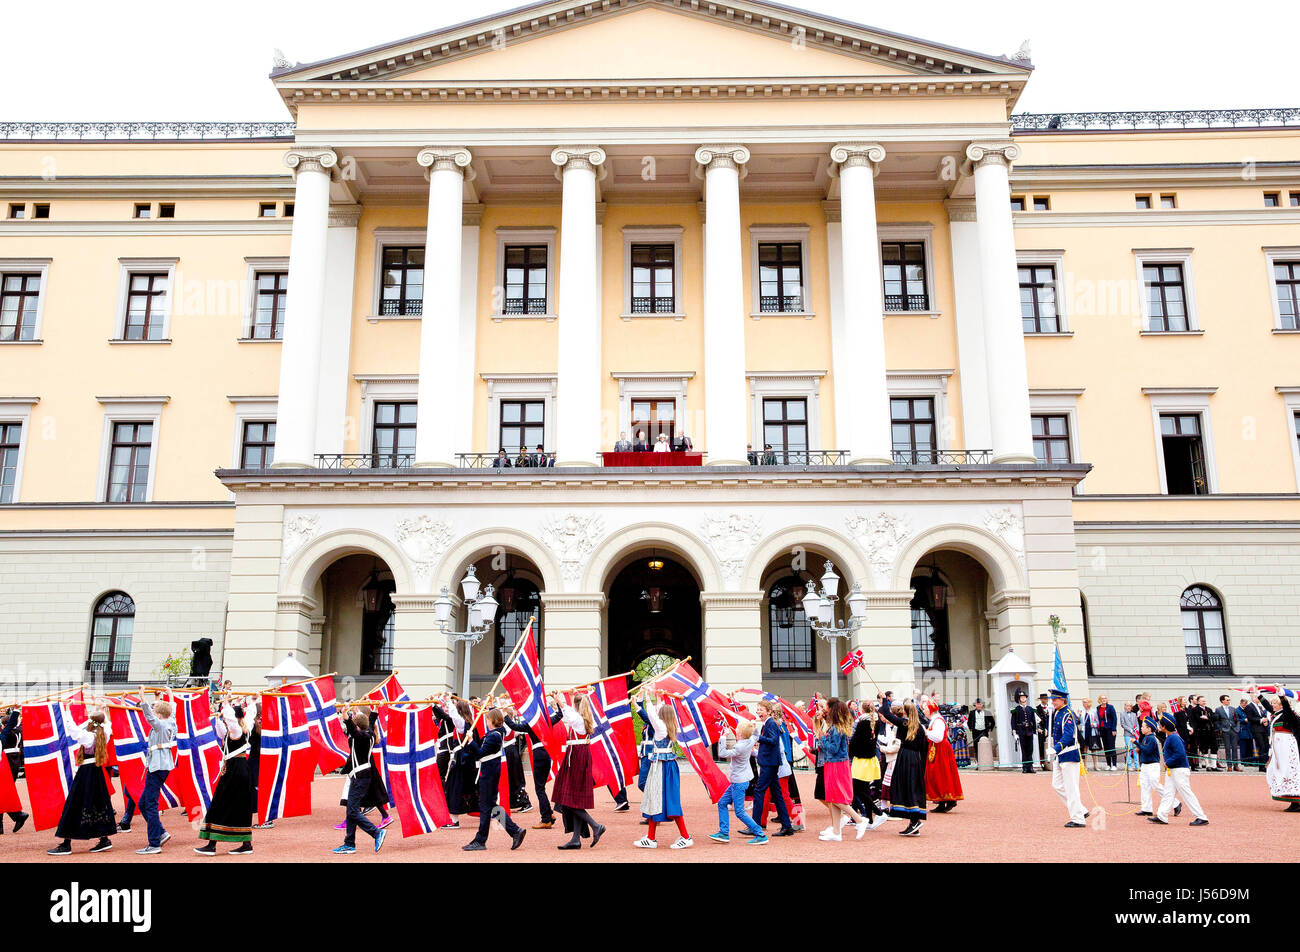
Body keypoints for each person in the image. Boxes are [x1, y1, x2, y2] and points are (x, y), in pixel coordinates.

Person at [47, 709, 115, 855]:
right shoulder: (104, 732)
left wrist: (65, 711)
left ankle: (66, 843)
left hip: (86, 773)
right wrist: (102, 709)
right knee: (97, 803)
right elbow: (106, 723)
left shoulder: (89, 736)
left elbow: (74, 730)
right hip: (96, 772)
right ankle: (104, 839)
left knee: (74, 804)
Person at [461, 708, 528, 851]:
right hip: (490, 771)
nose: (486, 721)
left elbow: (480, 753)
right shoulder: (497, 733)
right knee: (491, 806)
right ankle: (514, 830)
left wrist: (471, 740)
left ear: (492, 721)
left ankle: (481, 840)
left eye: (487, 719)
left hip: (489, 773)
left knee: (486, 806)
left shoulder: (494, 736)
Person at [194, 701, 255, 855]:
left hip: (236, 771)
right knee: (238, 805)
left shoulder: (237, 731)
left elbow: (232, 721)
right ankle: (246, 844)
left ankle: (212, 844)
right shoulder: (239, 729)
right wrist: (216, 716)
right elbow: (223, 730)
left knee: (220, 803)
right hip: (236, 769)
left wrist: (226, 704)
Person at [635, 691, 691, 849]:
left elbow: (652, 714)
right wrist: (658, 696)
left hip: (661, 767)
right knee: (659, 800)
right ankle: (651, 837)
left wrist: (647, 694)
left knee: (662, 800)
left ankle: (685, 836)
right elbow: (657, 712)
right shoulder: (671, 725)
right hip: (666, 766)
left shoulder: (660, 728)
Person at [550, 692, 605, 850]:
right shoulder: (582, 718)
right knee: (574, 798)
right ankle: (576, 839)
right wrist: (557, 702)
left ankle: (595, 826)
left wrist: (558, 700)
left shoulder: (579, 719)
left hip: (577, 756)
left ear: (577, 705)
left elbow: (569, 715)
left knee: (570, 798)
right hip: (577, 755)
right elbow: (568, 715)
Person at [332, 710, 388, 854]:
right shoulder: (369, 733)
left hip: (360, 777)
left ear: (357, 727)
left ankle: (376, 833)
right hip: (361, 776)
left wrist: (346, 717)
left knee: (352, 811)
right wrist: (374, 711)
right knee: (351, 810)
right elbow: (369, 724)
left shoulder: (361, 736)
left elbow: (353, 730)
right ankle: (349, 843)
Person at [819, 698, 871, 840]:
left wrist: (822, 739)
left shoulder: (836, 728)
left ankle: (859, 819)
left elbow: (833, 749)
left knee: (836, 798)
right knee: (832, 797)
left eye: (828, 708)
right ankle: (836, 832)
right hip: (835, 763)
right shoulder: (836, 726)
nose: (826, 710)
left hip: (836, 764)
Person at [710, 720, 767, 845]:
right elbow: (756, 736)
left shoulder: (740, 745)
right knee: (722, 803)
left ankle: (759, 833)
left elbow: (722, 753)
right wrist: (755, 727)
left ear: (740, 734)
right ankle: (724, 833)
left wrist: (723, 738)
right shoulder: (749, 741)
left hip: (738, 782)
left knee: (740, 812)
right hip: (739, 781)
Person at [133, 692, 175, 854]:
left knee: (150, 804)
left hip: (157, 765)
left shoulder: (161, 724)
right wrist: (169, 695)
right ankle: (161, 832)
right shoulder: (171, 721)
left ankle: (154, 843)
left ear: (159, 714)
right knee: (143, 803)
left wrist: (143, 698)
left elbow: (150, 718)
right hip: (161, 765)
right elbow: (172, 710)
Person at [880, 699, 930, 835]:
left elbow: (886, 713)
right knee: (912, 787)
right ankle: (914, 822)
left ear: (905, 712)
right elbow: (924, 748)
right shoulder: (920, 727)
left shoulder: (904, 723)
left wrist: (884, 700)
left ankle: (915, 822)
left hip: (904, 757)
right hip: (915, 758)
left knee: (905, 787)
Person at [1150, 712, 1208, 826]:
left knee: (1186, 793)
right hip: (1173, 770)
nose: (1159, 726)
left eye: (1160, 724)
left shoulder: (1173, 738)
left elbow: (1180, 754)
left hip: (1179, 770)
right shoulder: (1172, 736)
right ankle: (1162, 815)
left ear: (1164, 726)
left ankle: (1201, 816)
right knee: (1168, 793)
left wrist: (1168, 763)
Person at [750, 698, 794, 838]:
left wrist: (758, 738)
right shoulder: (768, 724)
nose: (758, 712)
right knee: (778, 795)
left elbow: (773, 741)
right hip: (769, 763)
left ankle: (755, 826)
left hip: (769, 763)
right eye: (757, 710)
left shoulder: (770, 724)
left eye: (761, 710)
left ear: (768, 711)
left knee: (758, 791)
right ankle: (787, 826)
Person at [1048, 688, 1087, 828]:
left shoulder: (1068, 714)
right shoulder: (1058, 713)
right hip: (1061, 756)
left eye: (1055, 699)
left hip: (1069, 753)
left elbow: (1068, 735)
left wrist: (1056, 748)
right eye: (1052, 699)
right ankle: (1081, 809)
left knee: (1072, 788)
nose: (1053, 702)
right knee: (1057, 785)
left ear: (1063, 700)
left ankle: (1078, 818)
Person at [922, 698, 963, 812]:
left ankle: (948, 800)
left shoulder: (938, 720)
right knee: (937, 775)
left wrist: (926, 732)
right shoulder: (935, 719)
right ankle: (941, 801)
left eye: (925, 708)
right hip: (936, 749)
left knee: (942, 774)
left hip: (941, 750)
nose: (924, 710)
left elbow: (938, 737)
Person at [1264, 688, 1300, 811]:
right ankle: (1293, 801)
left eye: (1275, 703)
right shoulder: (1278, 715)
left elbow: (1286, 708)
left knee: (1289, 772)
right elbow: (1268, 707)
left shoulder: (1289, 715)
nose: (1272, 705)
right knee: (1278, 771)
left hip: (1287, 747)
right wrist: (1258, 695)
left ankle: (1296, 802)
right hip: (1279, 747)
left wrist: (1282, 696)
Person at [850, 703, 884, 823]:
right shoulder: (876, 721)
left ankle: (878, 812)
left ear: (863, 710)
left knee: (857, 790)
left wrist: (851, 750)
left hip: (861, 760)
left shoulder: (862, 722)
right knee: (864, 790)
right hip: (871, 759)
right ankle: (869, 818)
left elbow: (855, 741)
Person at [0, 708, 27, 834]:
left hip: (7, 762)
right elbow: (15, 724)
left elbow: (10, 725)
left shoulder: (6, 734)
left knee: (4, 794)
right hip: (14, 760)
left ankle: (17, 815)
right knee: (4, 794)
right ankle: (16, 816)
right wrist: (15, 712)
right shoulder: (18, 730)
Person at [1135, 717, 1163, 816]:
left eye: (1143, 727)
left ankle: (1175, 803)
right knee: (1145, 786)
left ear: (1149, 728)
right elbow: (1144, 750)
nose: (1141, 728)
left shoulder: (1151, 738)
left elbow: (1147, 750)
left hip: (1152, 765)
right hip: (1145, 766)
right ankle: (1146, 808)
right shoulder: (1146, 738)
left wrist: (1136, 743)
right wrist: (1139, 749)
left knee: (1155, 785)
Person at [1012, 692, 1037, 773]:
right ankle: (1025, 767)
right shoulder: (1016, 709)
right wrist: (1015, 733)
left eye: (1024, 697)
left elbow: (1033, 720)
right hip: (1021, 731)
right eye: (1021, 697)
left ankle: (1030, 766)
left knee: (1030, 749)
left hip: (1029, 731)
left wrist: (1034, 730)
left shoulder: (1030, 709)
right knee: (1023, 749)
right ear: (1019, 699)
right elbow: (1013, 722)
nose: (1023, 698)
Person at [1214, 695, 1240, 773]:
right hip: (1225, 731)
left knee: (1235, 748)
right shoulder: (1218, 709)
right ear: (1222, 701)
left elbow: (1237, 720)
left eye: (1229, 700)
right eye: (1227, 700)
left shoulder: (1233, 709)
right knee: (1227, 748)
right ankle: (1229, 765)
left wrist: (1237, 729)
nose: (1229, 701)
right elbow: (1217, 720)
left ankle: (1236, 765)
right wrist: (1220, 728)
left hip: (1233, 730)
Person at [967, 698, 993, 767]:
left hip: (984, 731)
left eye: (980, 704)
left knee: (984, 745)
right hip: (975, 732)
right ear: (975, 705)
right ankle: (979, 763)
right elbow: (969, 722)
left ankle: (986, 762)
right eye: (977, 704)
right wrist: (971, 728)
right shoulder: (972, 713)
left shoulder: (987, 712)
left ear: (982, 705)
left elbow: (992, 722)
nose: (979, 706)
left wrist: (990, 728)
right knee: (976, 747)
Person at [1096, 695, 1118, 770]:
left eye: (1105, 698)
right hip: (1102, 729)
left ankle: (1114, 764)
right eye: (1102, 698)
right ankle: (1108, 764)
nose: (1104, 699)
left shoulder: (1110, 707)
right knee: (1106, 747)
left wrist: (1114, 729)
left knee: (1111, 746)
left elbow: (1114, 718)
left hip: (1110, 729)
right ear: (1100, 700)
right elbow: (1098, 718)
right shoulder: (1098, 708)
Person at [1237, 697, 1257, 767]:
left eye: (1246, 704)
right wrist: (1243, 720)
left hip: (1249, 731)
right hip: (1243, 731)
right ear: (1241, 703)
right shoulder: (1237, 710)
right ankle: (1244, 761)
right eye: (1244, 704)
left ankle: (1250, 761)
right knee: (1243, 747)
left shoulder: (1248, 709)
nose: (1245, 705)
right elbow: (1237, 720)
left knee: (1250, 747)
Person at [1034, 693, 1051, 770]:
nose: (1045, 700)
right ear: (1041, 699)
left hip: (1049, 730)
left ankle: (1049, 762)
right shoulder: (1037, 708)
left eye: (1046, 699)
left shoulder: (1051, 708)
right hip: (1041, 730)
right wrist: (1039, 728)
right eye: (1044, 699)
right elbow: (1036, 720)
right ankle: (1042, 763)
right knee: (1041, 747)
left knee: (1049, 746)